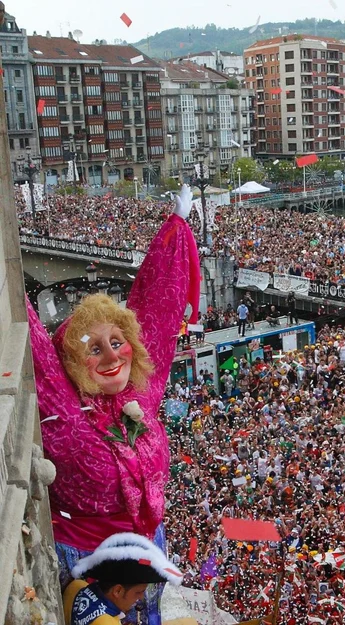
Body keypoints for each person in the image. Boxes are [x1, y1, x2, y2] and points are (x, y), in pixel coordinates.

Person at [27, 185, 200, 625]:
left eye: (117, 342)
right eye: (94, 348)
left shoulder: (142, 389)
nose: (110, 356)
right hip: (90, 562)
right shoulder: (61, 410)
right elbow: (27, 334)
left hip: (146, 550)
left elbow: (157, 311)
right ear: (70, 361)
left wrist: (175, 231)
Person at [64, 532, 182, 625]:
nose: (141, 597)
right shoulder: (108, 622)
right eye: (138, 592)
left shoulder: (77, 586)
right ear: (117, 591)